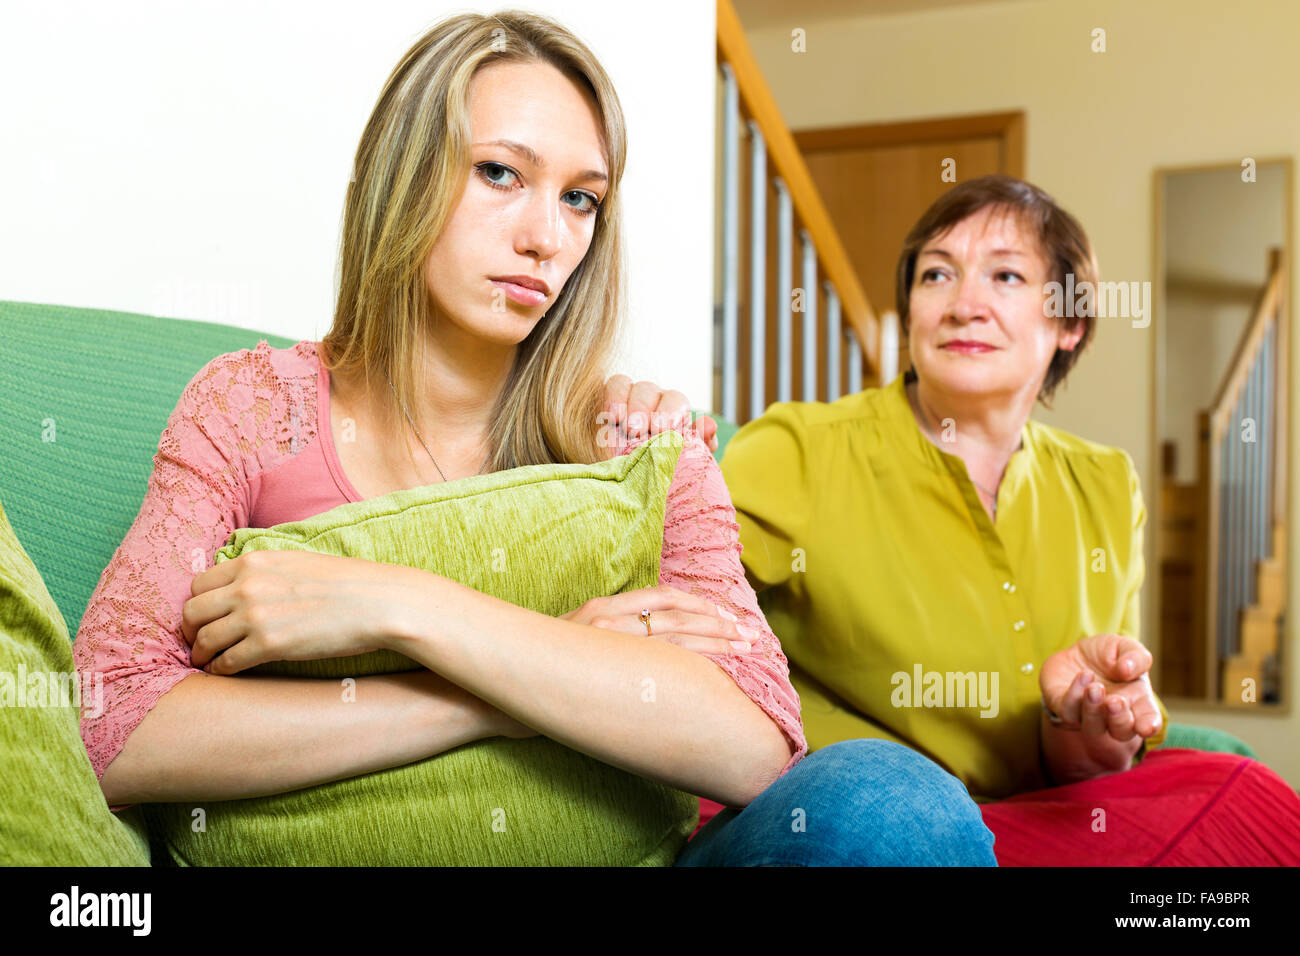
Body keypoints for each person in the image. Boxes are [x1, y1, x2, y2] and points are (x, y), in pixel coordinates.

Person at [74, 10, 995, 866]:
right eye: (500, 173)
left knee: (895, 803)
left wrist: (399, 607)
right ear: (404, 171)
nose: (546, 238)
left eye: (582, 199)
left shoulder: (633, 440)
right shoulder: (248, 408)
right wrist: (489, 699)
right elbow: (107, 720)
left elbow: (752, 742)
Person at [714, 174, 1300, 865]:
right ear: (910, 310)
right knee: (897, 818)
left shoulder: (1107, 483)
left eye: (1006, 277)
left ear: (1069, 322)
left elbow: (1091, 764)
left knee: (1243, 793)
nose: (965, 305)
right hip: (875, 824)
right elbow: (677, 594)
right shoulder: (801, 449)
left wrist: (1083, 719)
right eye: (937, 274)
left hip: (1041, 816)